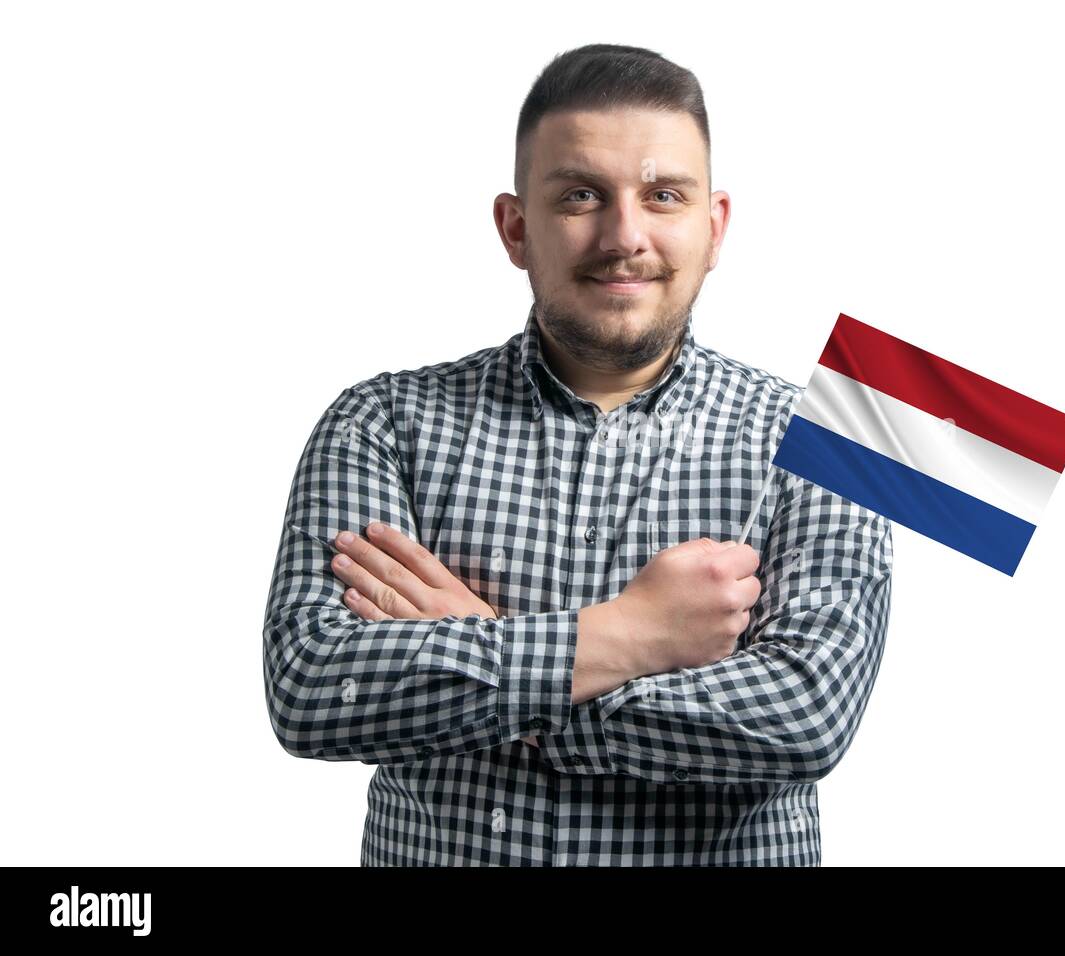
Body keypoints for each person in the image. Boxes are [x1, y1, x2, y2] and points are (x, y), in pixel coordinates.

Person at [262, 42, 893, 866]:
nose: (624, 236)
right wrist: (628, 633)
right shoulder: (380, 423)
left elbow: (803, 720)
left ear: (714, 227)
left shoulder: (829, 439)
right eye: (582, 195)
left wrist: (493, 656)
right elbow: (315, 689)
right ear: (516, 227)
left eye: (663, 195)